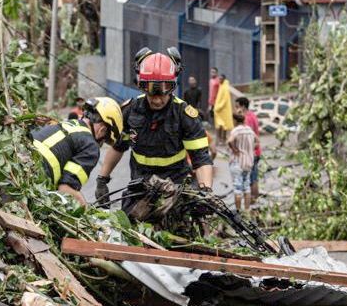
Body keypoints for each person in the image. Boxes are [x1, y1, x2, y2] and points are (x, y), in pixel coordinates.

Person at [94, 52, 213, 211]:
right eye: (151, 93)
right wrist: (102, 180)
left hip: (176, 186)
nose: (157, 100)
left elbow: (201, 158)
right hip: (140, 186)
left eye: (162, 93)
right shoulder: (130, 110)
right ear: (142, 86)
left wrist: (206, 193)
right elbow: (118, 147)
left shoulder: (184, 115)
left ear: (172, 86)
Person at [34, 97, 122, 205]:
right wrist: (85, 208)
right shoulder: (91, 146)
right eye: (105, 140)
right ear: (102, 130)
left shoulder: (67, 124)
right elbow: (65, 189)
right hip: (36, 177)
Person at [226, 105, 258, 216]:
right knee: (247, 187)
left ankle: (239, 213)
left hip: (237, 162)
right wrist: (250, 149)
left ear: (235, 120)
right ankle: (247, 211)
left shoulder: (236, 130)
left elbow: (230, 141)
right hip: (248, 162)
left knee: (237, 187)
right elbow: (257, 141)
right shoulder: (249, 130)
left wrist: (235, 149)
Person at [235, 95, 263, 205]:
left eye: (237, 106)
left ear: (243, 106)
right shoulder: (252, 115)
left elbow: (248, 137)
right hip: (255, 151)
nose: (236, 109)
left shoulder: (247, 119)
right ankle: (254, 201)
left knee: (252, 179)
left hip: (251, 152)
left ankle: (253, 201)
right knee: (253, 178)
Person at [212, 73, 235, 147]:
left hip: (223, 110)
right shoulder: (221, 86)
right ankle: (220, 140)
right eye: (219, 79)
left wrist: (217, 108)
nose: (219, 80)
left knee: (223, 126)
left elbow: (224, 100)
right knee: (220, 126)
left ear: (224, 79)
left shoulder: (225, 87)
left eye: (221, 79)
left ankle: (222, 140)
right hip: (220, 110)